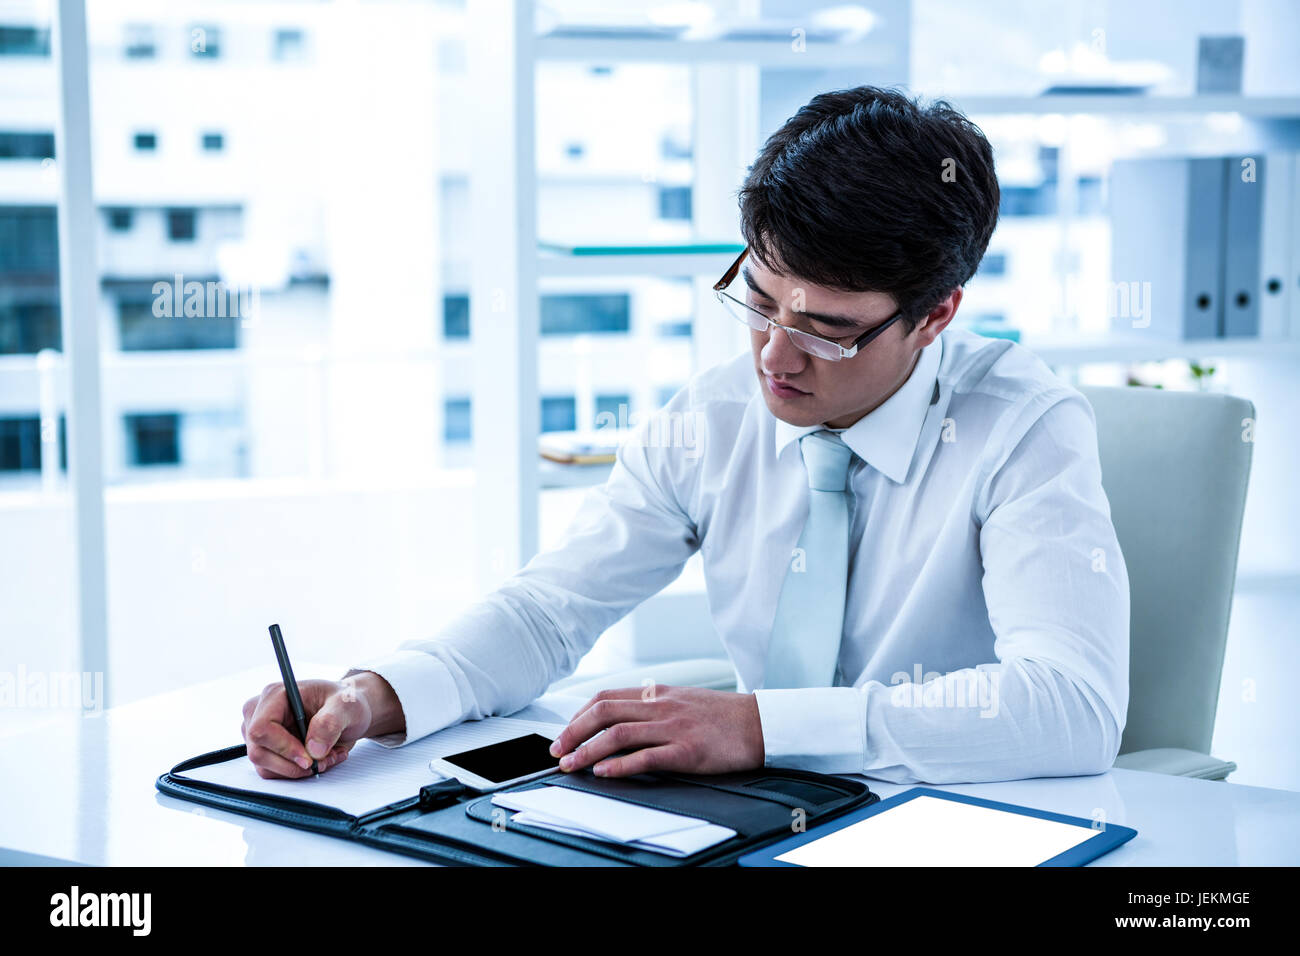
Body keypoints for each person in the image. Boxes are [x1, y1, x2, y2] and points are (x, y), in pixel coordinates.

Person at [242, 85, 1128, 785]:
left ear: (935, 316)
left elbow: (1070, 704)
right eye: (759, 297)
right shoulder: (712, 417)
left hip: (957, 822)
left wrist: (757, 726)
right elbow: (550, 611)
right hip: (761, 819)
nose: (774, 353)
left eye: (826, 327)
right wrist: (376, 695)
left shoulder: (1023, 429)